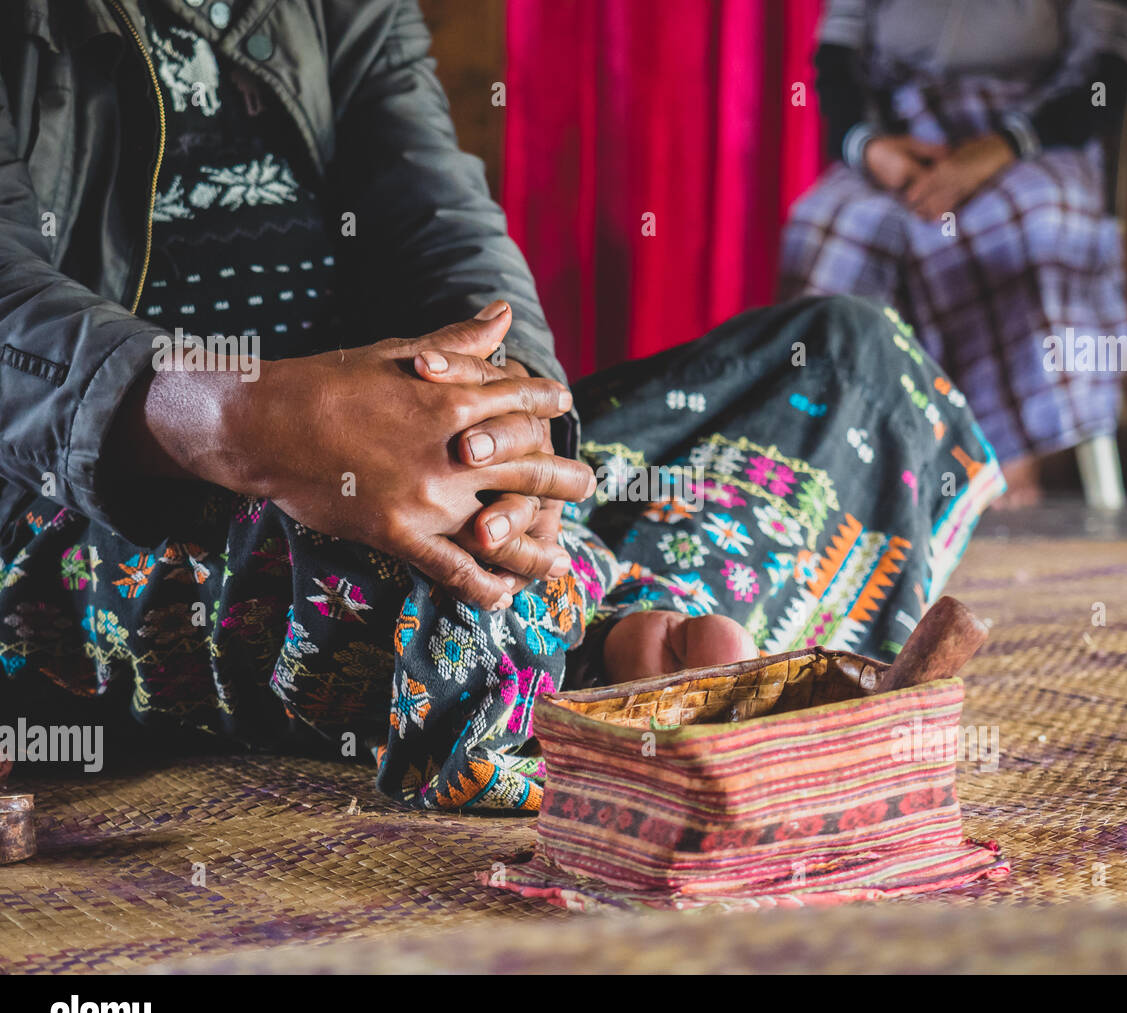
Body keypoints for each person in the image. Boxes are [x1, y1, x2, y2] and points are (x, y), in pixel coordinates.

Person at [0, 0, 1002, 811]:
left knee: (849, 359)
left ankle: (561, 644)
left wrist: (517, 433)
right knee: (369, 533)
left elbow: (446, 230)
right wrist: (241, 417)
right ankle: (610, 645)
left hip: (398, 429)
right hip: (119, 474)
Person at [781, 0, 1127, 506]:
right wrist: (871, 147)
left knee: (1028, 221)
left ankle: (1006, 468)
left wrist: (998, 148)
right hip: (903, 136)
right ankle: (839, 465)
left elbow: (1105, 83)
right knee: (830, 224)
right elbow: (835, 64)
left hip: (1034, 140)